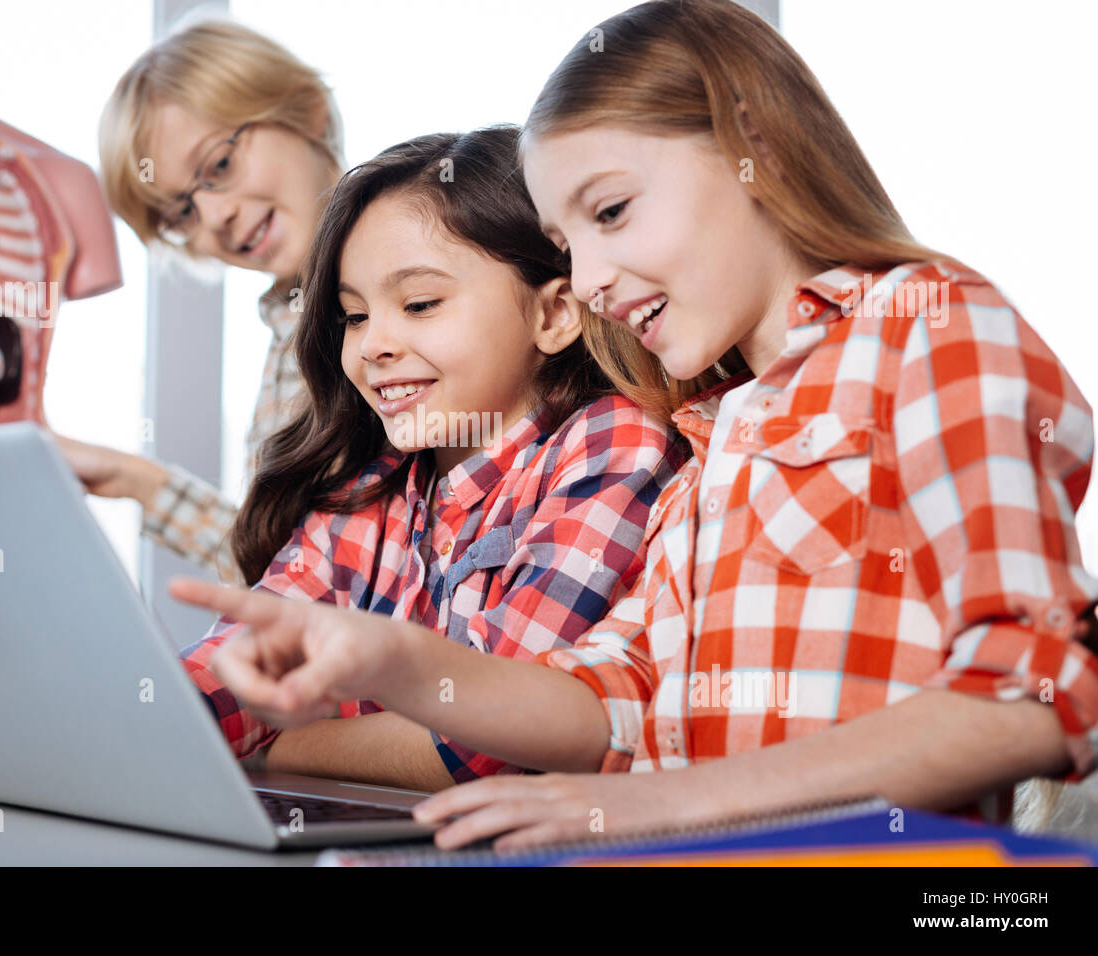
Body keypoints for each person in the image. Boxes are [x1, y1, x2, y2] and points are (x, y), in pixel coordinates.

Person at [172, 0, 1098, 848]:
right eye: (570, 245)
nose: (589, 279)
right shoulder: (706, 432)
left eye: (612, 210)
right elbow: (616, 700)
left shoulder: (926, 327)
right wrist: (398, 660)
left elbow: (1034, 693)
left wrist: (662, 801)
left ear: (759, 150)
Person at [172, 126, 688, 792]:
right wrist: (144, 720)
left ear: (556, 313)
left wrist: (275, 751)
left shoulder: (612, 446)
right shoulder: (374, 489)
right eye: (354, 316)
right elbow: (235, 667)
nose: (373, 345)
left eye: (419, 304)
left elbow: (488, 742)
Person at [57, 20, 345, 578]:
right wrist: (135, 481)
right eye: (182, 213)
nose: (214, 216)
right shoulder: (291, 317)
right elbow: (284, 561)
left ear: (305, 109)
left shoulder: (392, 298)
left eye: (219, 166)